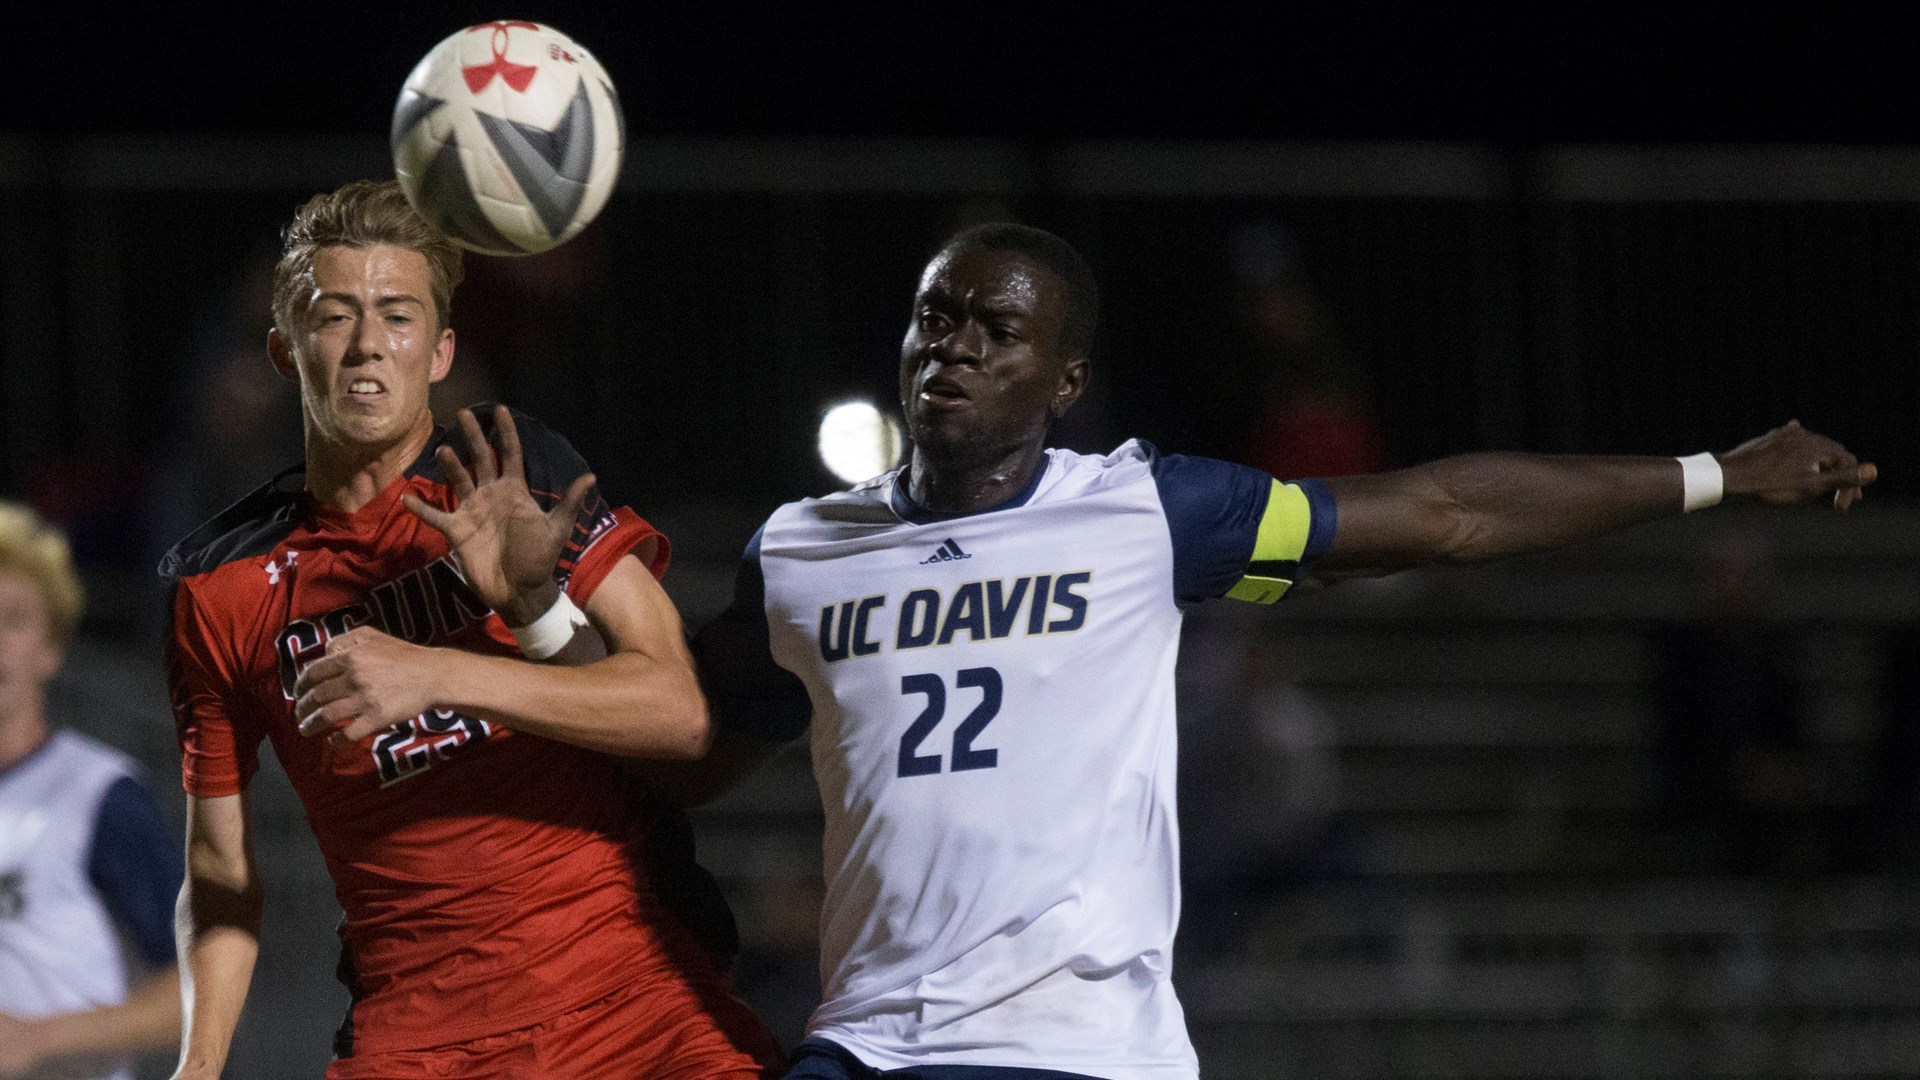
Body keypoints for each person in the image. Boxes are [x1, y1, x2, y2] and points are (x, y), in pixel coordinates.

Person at [668, 222, 1875, 1080]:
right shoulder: (807, 549)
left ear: (1066, 379)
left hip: (1063, 1051)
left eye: (999, 329)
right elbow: (702, 734)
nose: (958, 346)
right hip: (863, 1039)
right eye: (937, 316)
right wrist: (554, 622)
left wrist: (1712, 475)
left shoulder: (1144, 513)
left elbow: (1444, 516)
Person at [158, 180, 780, 1079]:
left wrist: (457, 662)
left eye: (398, 316)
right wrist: (198, 1065)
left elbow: (679, 713)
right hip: (417, 1042)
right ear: (285, 352)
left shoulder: (508, 474)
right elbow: (219, 874)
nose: (369, 345)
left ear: (441, 350)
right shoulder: (219, 589)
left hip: (636, 1010)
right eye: (335, 317)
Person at [0, 500, 183, 1080]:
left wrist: (40, 1038)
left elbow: (198, 990)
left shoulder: (99, 794)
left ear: (51, 648)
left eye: (12, 619)